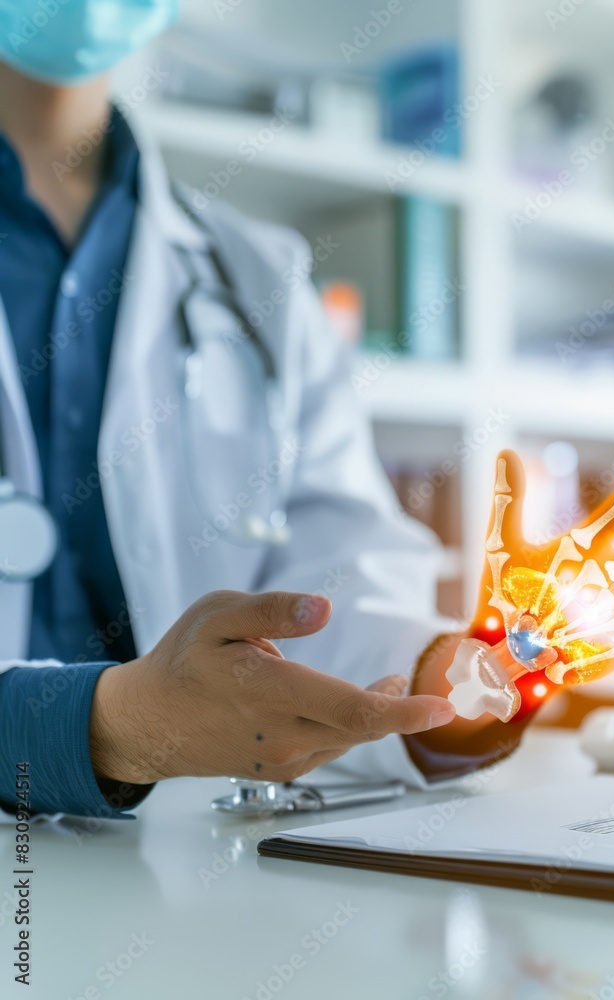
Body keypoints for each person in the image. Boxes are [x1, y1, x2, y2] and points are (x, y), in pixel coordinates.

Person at [0, 0, 521, 820]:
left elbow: (331, 581)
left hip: (174, 875)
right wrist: (90, 729)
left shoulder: (257, 277)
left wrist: (437, 683)